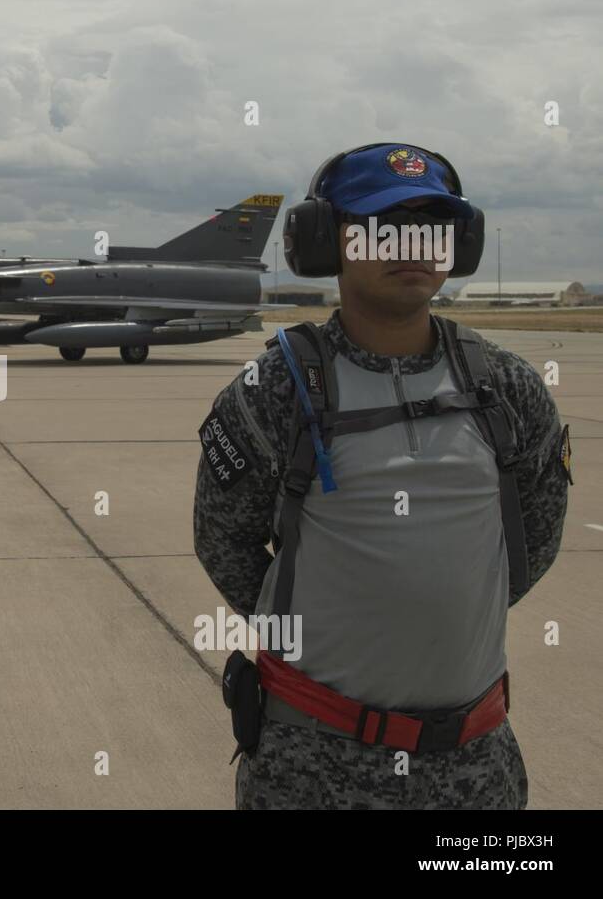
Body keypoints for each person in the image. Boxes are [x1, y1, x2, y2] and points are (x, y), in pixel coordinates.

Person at [193, 143, 570, 809]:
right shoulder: (277, 388)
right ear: (324, 241)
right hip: (313, 767)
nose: (414, 245)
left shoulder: (508, 386)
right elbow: (224, 540)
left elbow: (531, 539)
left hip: (477, 768)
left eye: (433, 225)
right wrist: (321, 636)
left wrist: (436, 618)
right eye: (383, 224)